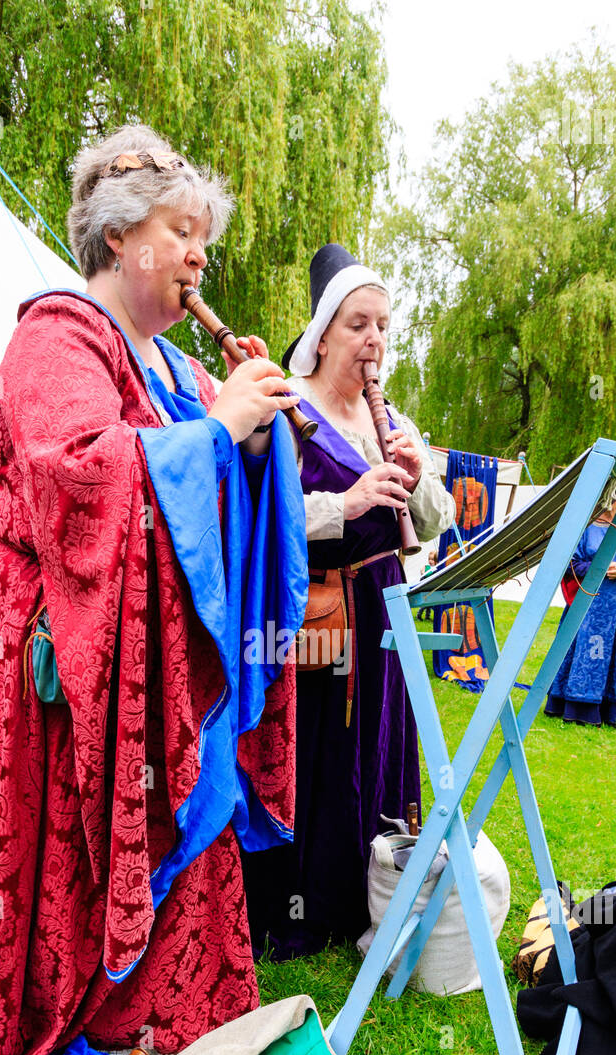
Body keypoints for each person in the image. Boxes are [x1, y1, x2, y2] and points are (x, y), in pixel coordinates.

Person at [0, 126, 307, 1055]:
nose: (200, 253)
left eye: (203, 233)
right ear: (121, 237)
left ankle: (151, 1040)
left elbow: (203, 502)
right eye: (181, 229)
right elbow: (78, 470)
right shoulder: (55, 336)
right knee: (41, 855)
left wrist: (246, 437)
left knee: (161, 835)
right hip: (47, 665)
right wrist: (211, 434)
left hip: (141, 669)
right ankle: (22, 1051)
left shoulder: (170, 364)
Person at [241, 244, 454, 959]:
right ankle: (308, 906)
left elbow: (437, 519)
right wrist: (347, 501)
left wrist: (418, 477)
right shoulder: (287, 409)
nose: (375, 341)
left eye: (385, 326)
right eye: (359, 324)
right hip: (320, 616)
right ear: (324, 332)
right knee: (319, 751)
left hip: (385, 608)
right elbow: (255, 520)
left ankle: (376, 894)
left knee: (382, 744)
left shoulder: (391, 419)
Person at [545, 496, 616, 733]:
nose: (614, 502)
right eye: (612, 497)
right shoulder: (585, 526)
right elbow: (569, 563)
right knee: (591, 654)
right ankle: (580, 708)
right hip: (590, 608)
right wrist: (601, 568)